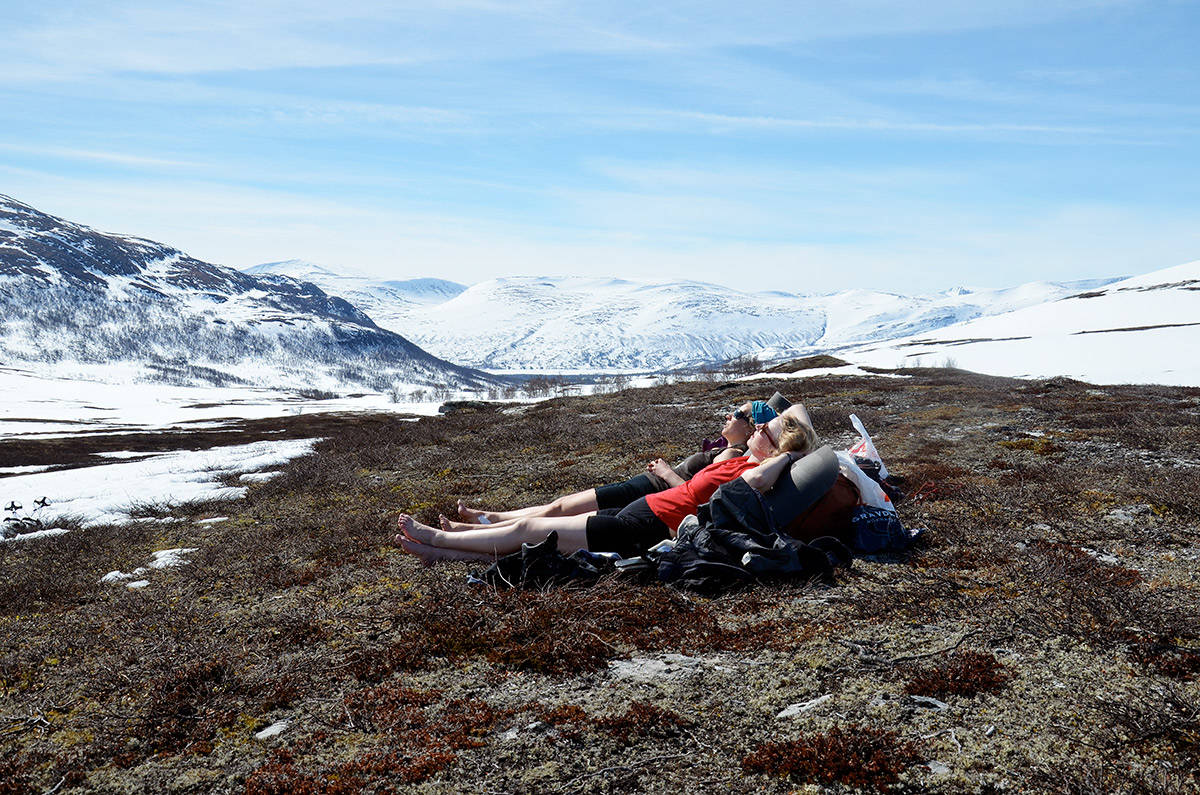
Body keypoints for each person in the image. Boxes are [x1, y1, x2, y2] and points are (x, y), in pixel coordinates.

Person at [396, 405, 820, 564]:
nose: (759, 426)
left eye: (769, 428)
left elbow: (766, 472)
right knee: (544, 528)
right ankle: (448, 548)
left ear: (776, 447)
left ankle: (435, 540)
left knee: (530, 533)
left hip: (643, 531)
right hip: (644, 511)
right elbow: (797, 410)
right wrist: (780, 437)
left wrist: (787, 453)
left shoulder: (754, 473)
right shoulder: (743, 456)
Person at [450, 392, 798, 529]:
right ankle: (492, 519)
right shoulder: (729, 448)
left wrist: (663, 471)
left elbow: (698, 494)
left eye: (738, 414)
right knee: (563, 509)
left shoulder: (732, 454)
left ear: (750, 426)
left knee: (564, 511)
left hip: (652, 491)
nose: (729, 416)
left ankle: (487, 524)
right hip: (652, 491)